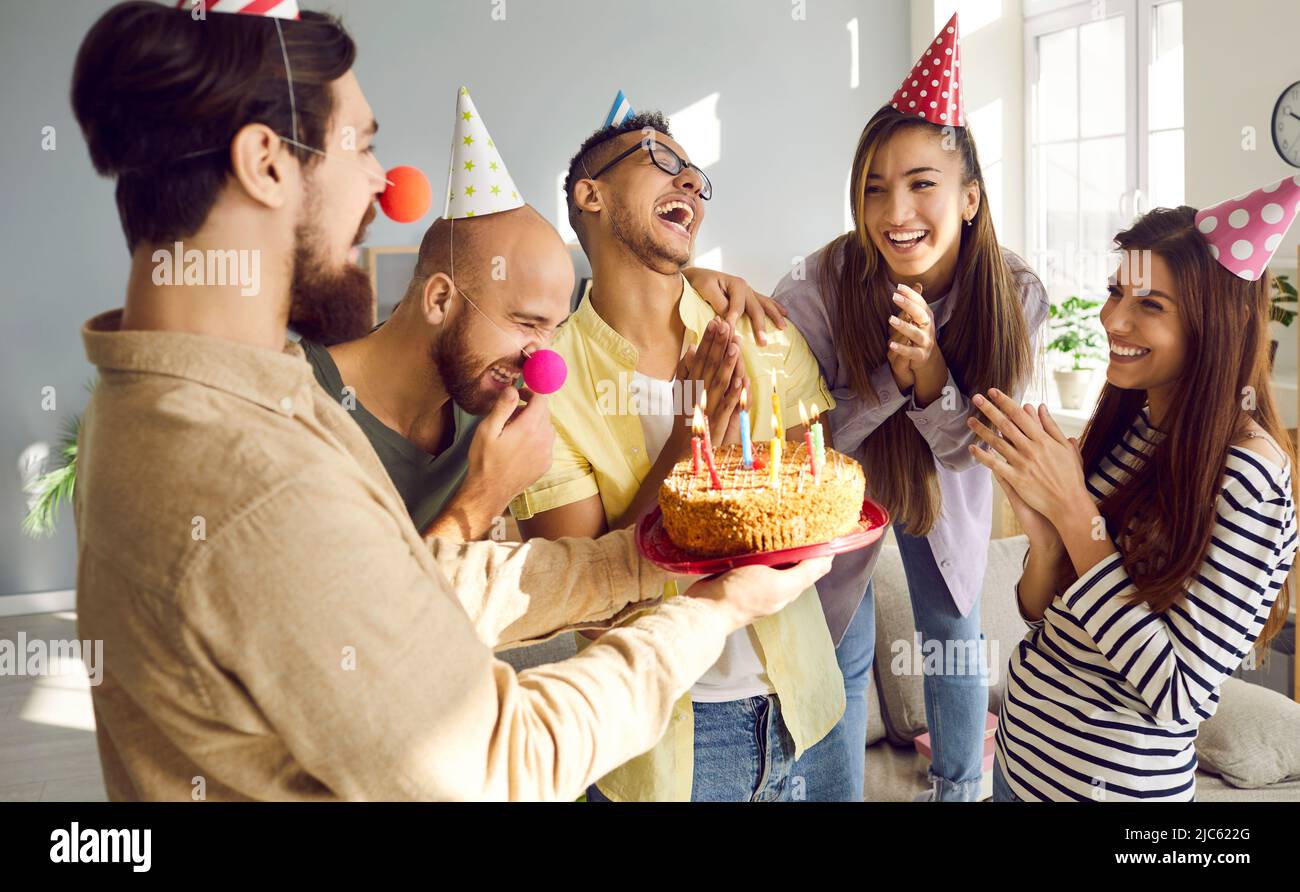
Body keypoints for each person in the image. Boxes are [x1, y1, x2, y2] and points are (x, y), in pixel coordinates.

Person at [70, 0, 830, 801]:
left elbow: (403, 598)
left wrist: (634, 562)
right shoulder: (254, 474)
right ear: (266, 162)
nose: (386, 184)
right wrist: (713, 612)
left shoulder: (178, 396)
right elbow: (502, 761)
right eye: (361, 144)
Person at [510, 110, 851, 802]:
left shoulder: (759, 335)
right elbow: (582, 596)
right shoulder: (547, 385)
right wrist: (685, 446)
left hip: (807, 714)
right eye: (660, 160)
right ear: (590, 195)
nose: (691, 180)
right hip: (656, 741)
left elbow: (806, 512)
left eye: (696, 176)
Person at [772, 14, 1048, 801]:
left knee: (954, 638)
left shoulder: (1015, 294)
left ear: (969, 197)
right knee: (841, 649)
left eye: (922, 183)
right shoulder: (818, 285)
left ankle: (959, 790)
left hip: (945, 483)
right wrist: (891, 382)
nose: (896, 211)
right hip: (837, 489)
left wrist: (930, 371)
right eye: (874, 188)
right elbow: (806, 441)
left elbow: (974, 446)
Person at [975, 193, 1299, 801]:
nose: (1113, 319)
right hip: (1017, 769)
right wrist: (1047, 542)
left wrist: (1076, 514)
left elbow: (1181, 695)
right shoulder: (1133, 426)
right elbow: (1041, 615)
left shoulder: (1250, 476)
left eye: (1149, 304)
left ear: (1214, 325)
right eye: (1116, 291)